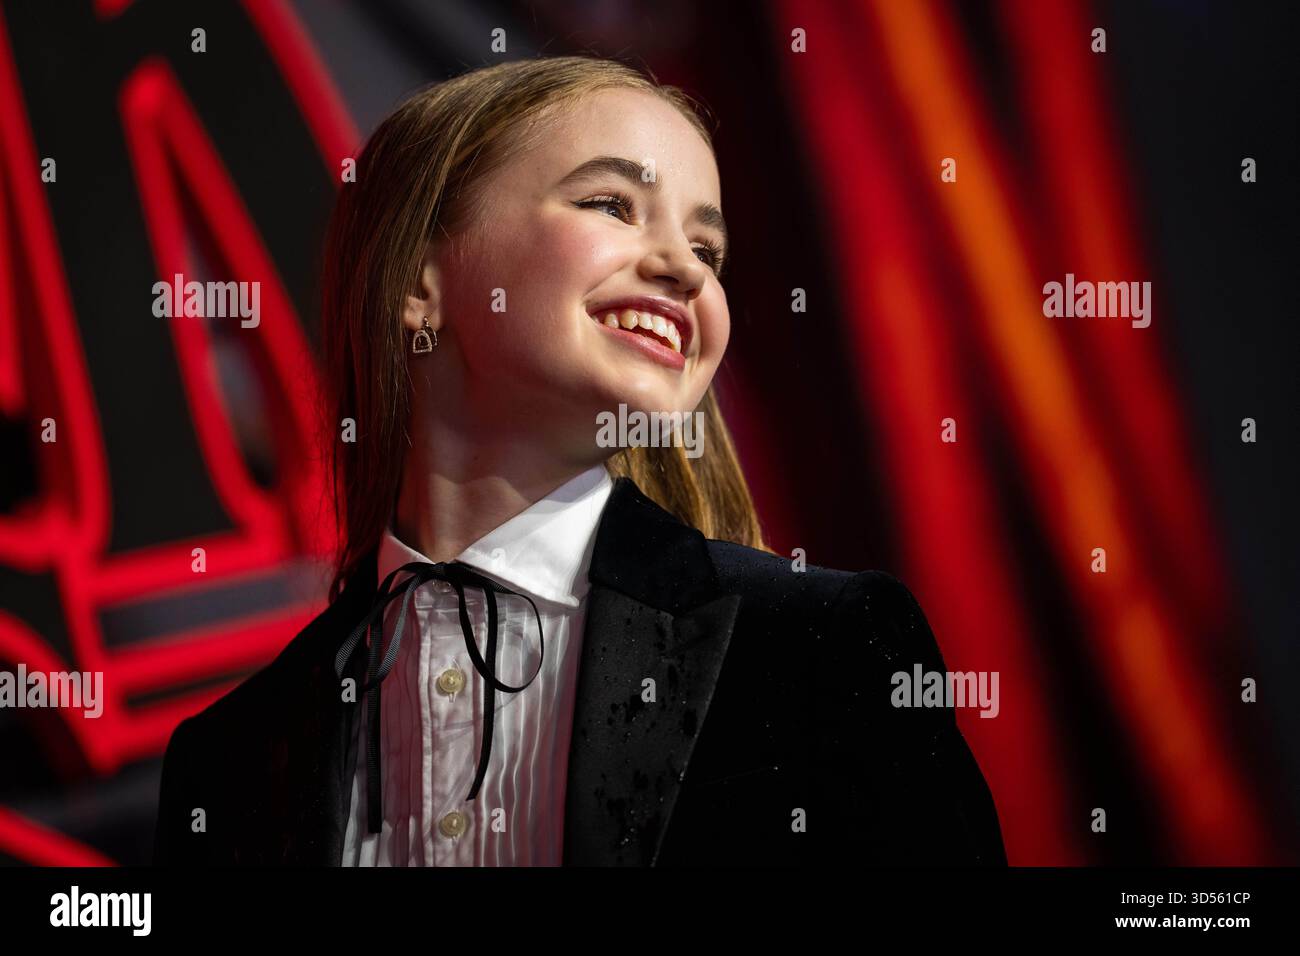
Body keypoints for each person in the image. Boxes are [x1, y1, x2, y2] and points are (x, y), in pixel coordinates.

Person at [152, 55, 1006, 867]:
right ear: (421, 280)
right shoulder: (229, 760)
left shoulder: (824, 647)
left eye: (709, 252)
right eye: (610, 203)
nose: (683, 268)